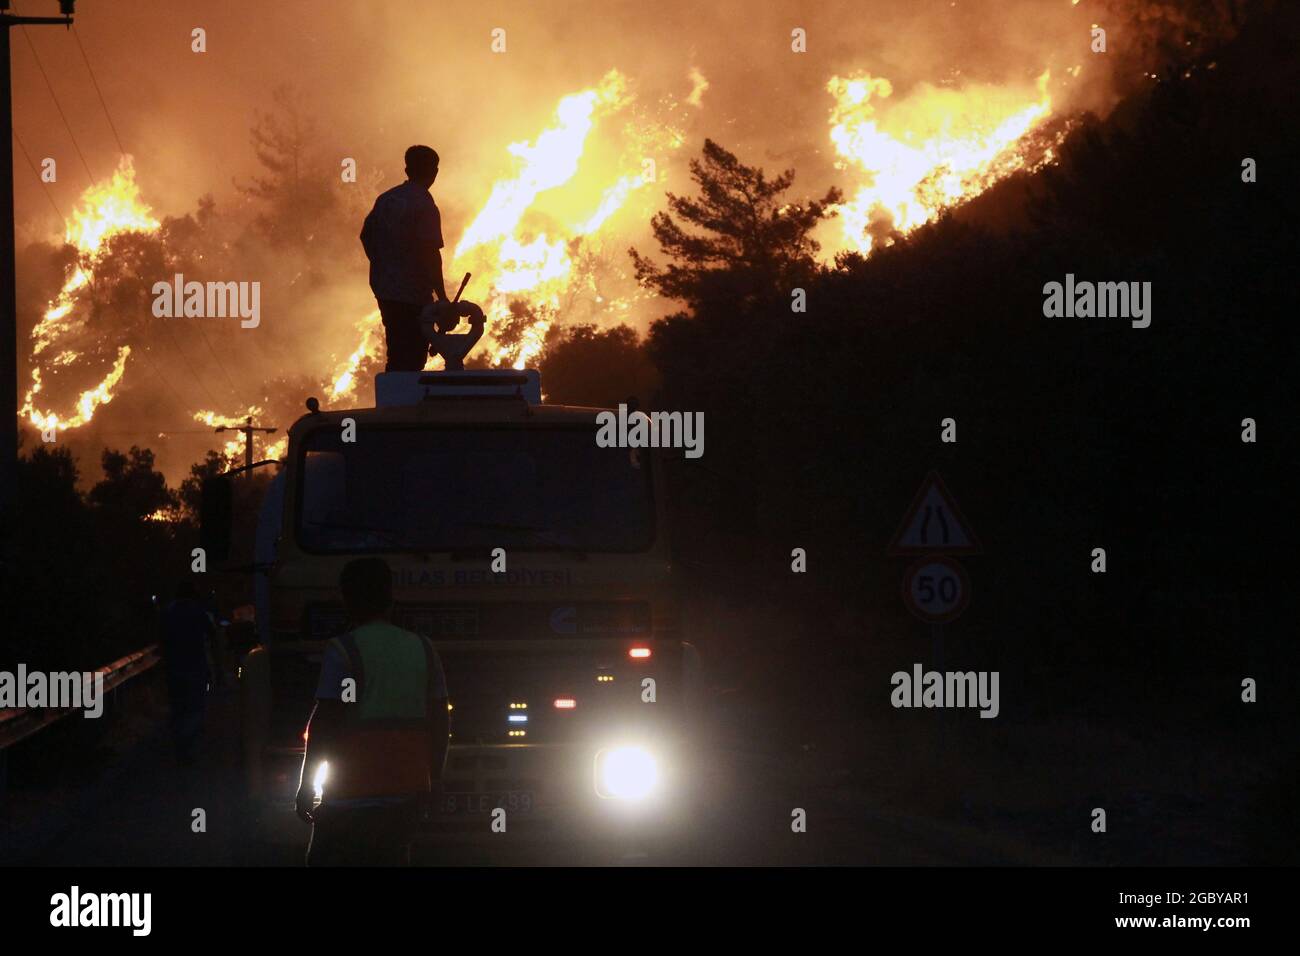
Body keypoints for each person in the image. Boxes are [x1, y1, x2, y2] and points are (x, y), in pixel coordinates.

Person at [295, 558, 450, 866]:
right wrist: (434, 780)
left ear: (347, 599)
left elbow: (324, 722)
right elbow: (440, 721)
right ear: (390, 599)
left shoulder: (343, 650)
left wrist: (305, 786)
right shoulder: (423, 648)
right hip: (406, 794)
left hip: (349, 795)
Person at [360, 145, 452, 372]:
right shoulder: (424, 205)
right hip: (413, 295)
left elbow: (365, 236)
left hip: (386, 291)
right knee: (412, 359)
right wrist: (441, 298)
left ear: (407, 169)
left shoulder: (386, 200)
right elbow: (430, 253)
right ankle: (404, 405)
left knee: (397, 352)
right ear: (434, 172)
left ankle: (393, 402)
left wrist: (383, 265)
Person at [160, 580, 217, 765]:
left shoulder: (168, 611)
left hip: (174, 668)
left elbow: (161, 637)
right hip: (194, 667)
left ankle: (180, 747)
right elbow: (212, 634)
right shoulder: (197, 611)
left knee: (179, 709)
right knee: (194, 708)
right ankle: (187, 746)